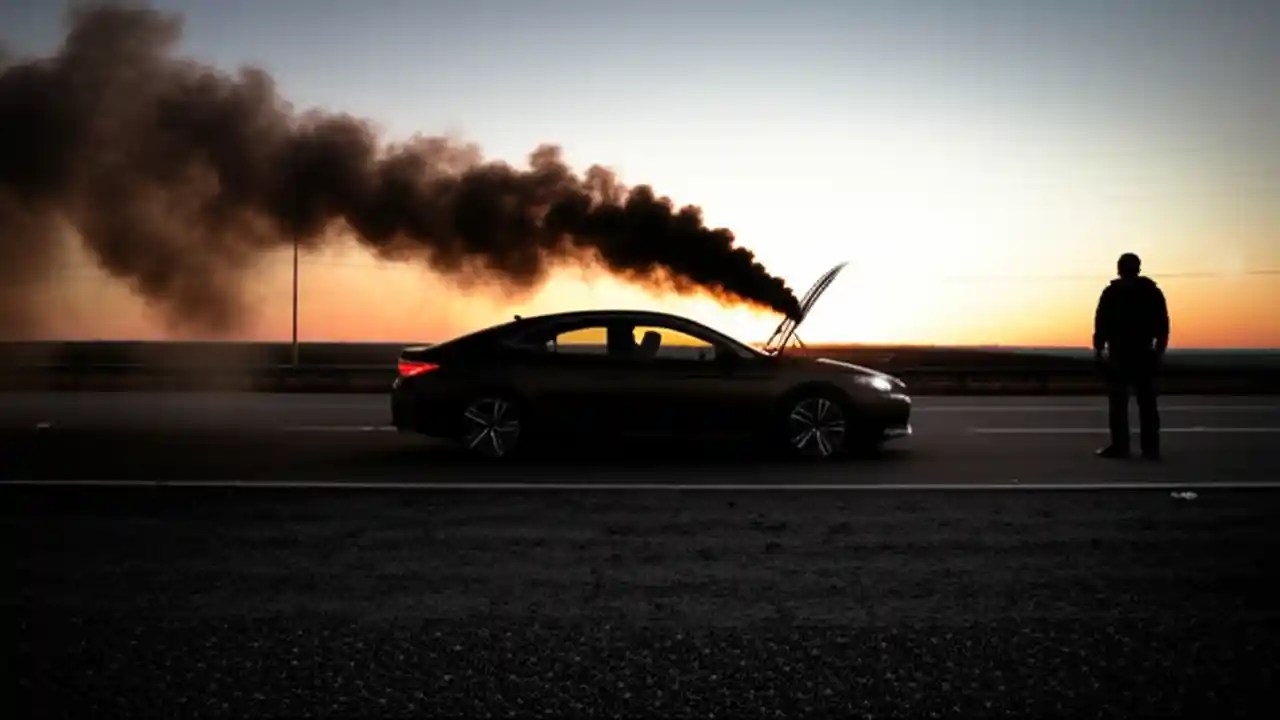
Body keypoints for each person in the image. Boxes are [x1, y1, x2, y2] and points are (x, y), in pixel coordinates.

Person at [1092, 252, 1170, 460]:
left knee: (1118, 404)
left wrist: (1099, 348)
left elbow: (1102, 322)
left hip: (1120, 354)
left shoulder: (1112, 292)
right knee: (1147, 404)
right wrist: (1159, 350)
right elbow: (1163, 323)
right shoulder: (1151, 292)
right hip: (1144, 353)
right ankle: (1150, 449)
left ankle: (1120, 446)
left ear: (1119, 268)